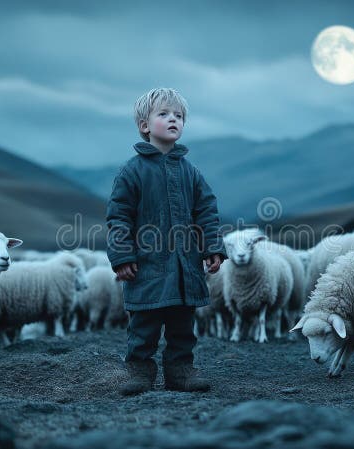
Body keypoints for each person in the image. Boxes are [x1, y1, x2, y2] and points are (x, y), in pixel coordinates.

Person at [106, 88, 225, 396]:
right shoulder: (132, 171)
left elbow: (206, 211)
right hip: (146, 267)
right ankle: (139, 371)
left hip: (185, 267)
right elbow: (119, 216)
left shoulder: (190, 172)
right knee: (143, 327)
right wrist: (122, 256)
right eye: (164, 114)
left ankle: (181, 371)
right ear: (145, 125)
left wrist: (212, 246)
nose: (174, 119)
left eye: (179, 116)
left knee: (182, 328)